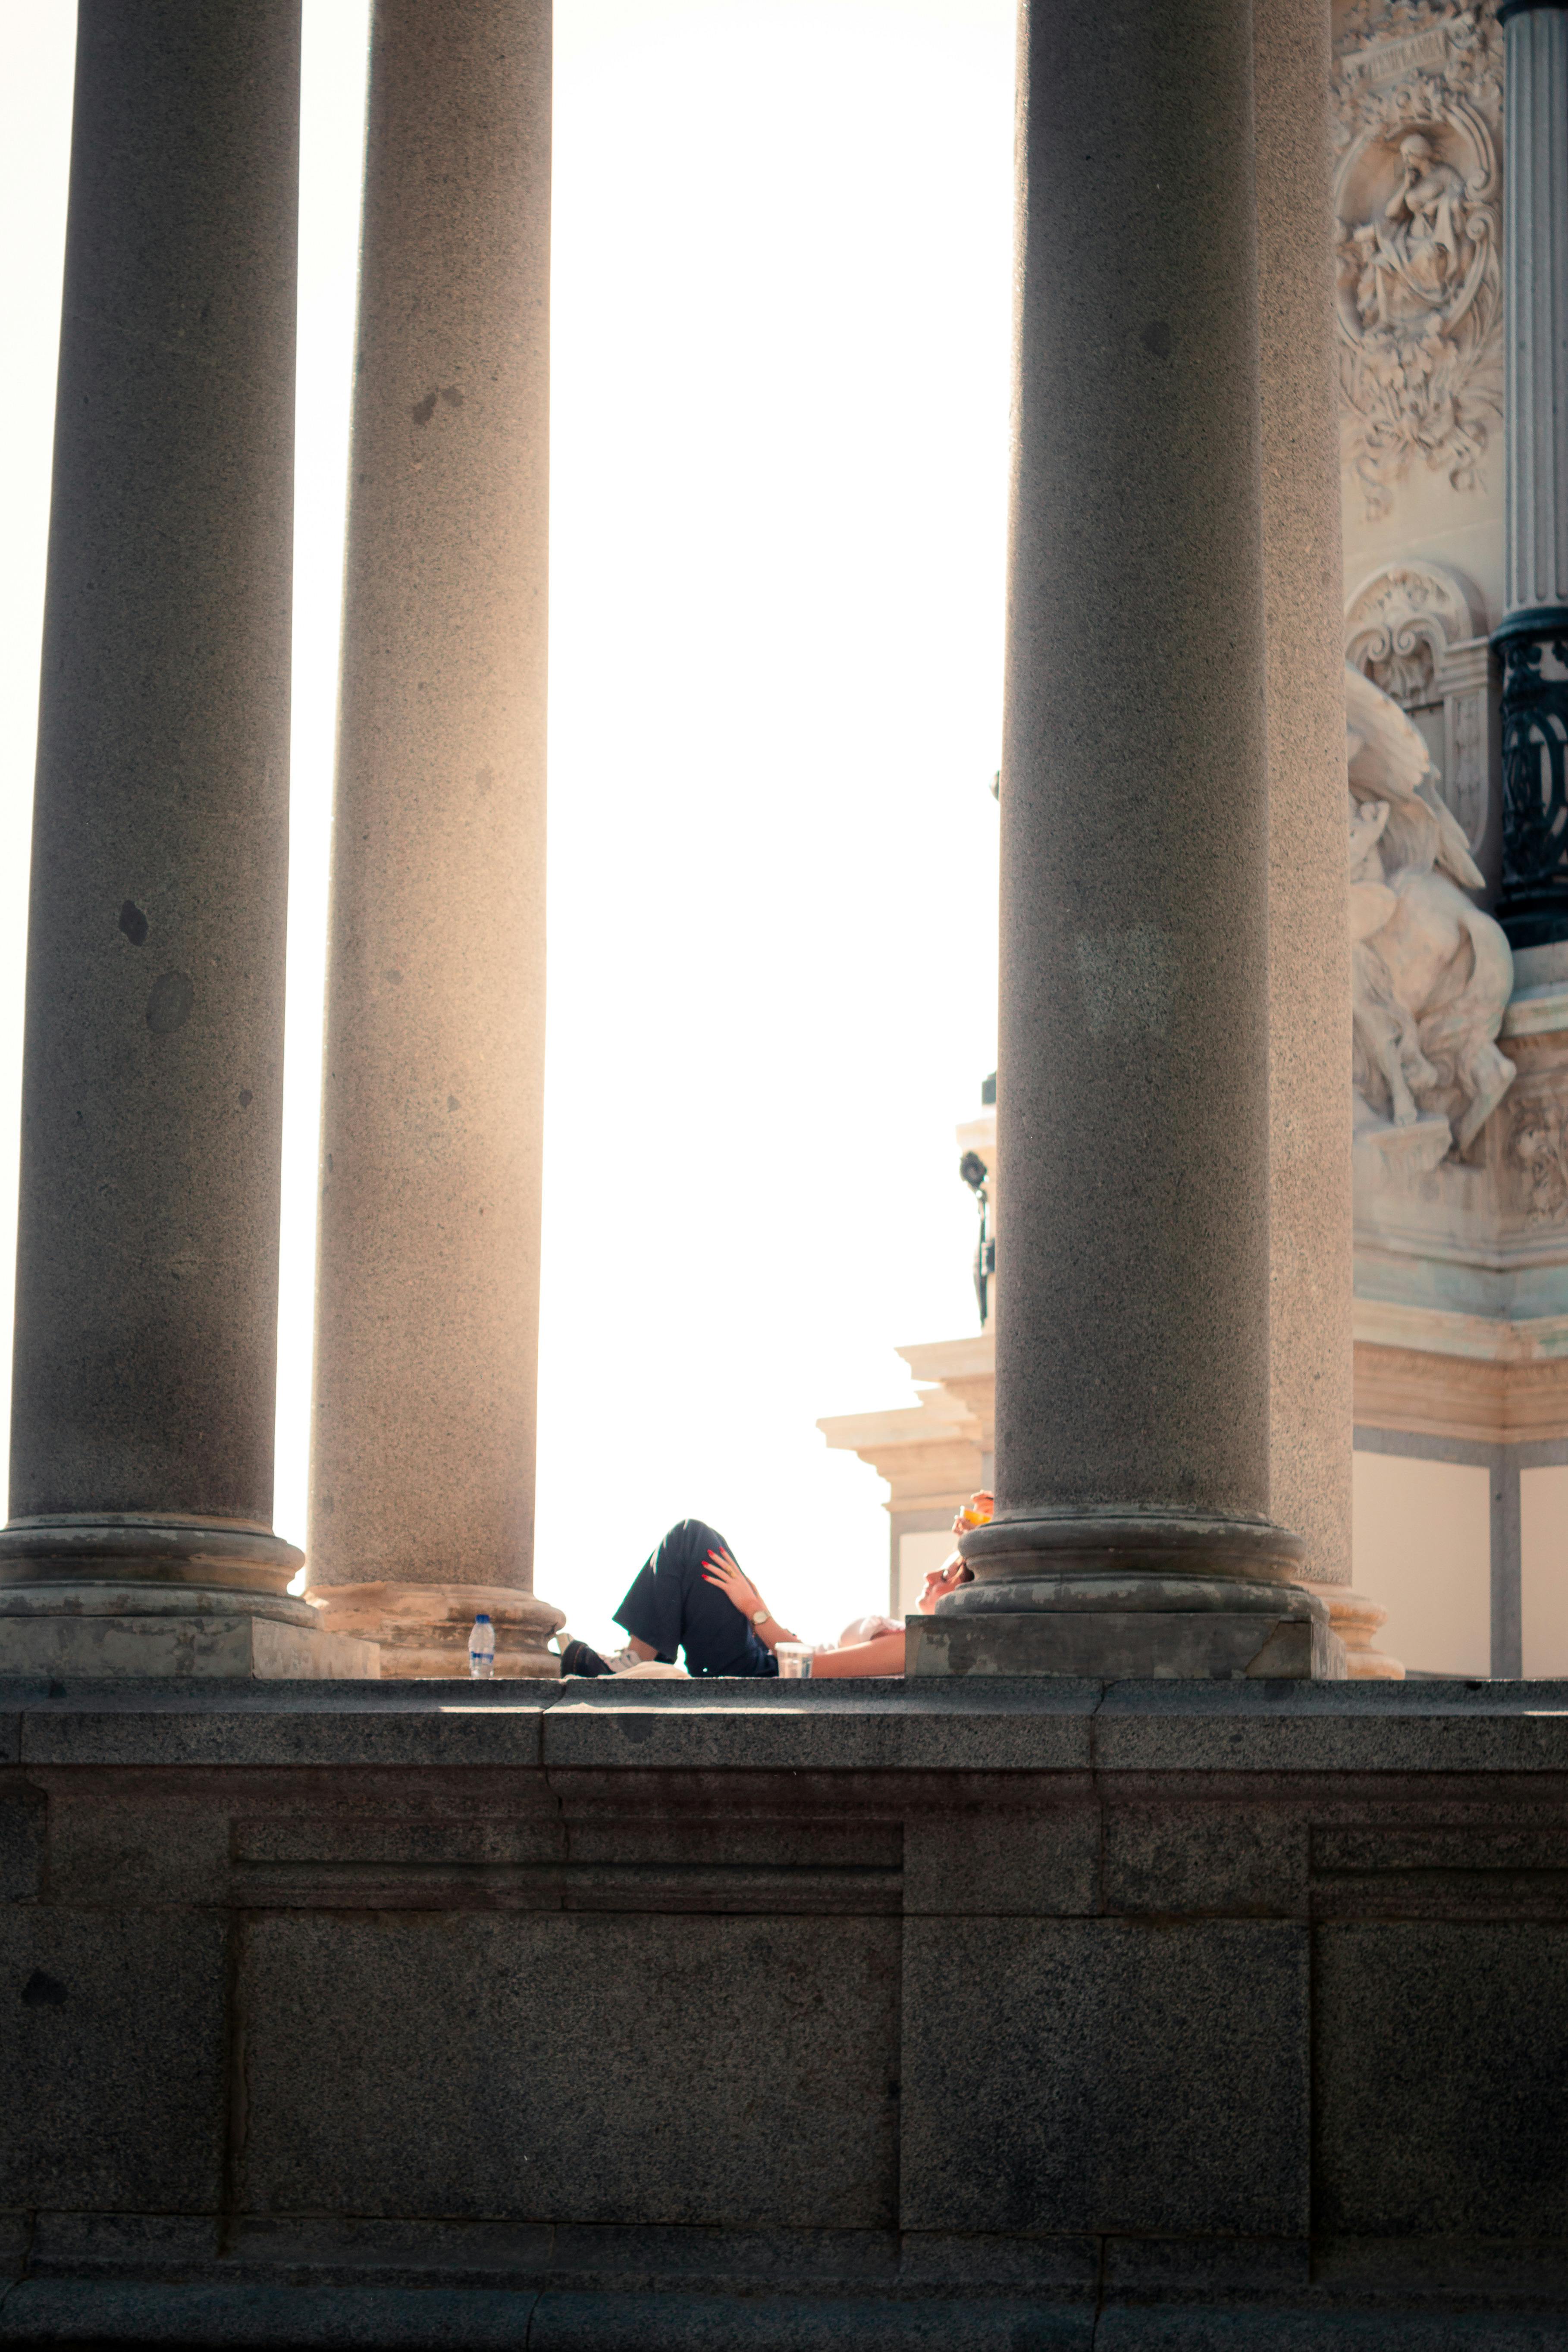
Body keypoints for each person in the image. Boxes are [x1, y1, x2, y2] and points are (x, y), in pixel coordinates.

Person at [559, 1498, 991, 1678]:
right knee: (696, 1544)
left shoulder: (915, 1645)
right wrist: (986, 1520)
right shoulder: (912, 1638)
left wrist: (754, 1610)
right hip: (765, 1655)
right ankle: (637, 1663)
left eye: (947, 1577)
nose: (931, 1577)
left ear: (963, 1598)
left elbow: (809, 1672)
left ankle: (636, 1662)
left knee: (693, 1540)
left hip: (766, 1672)